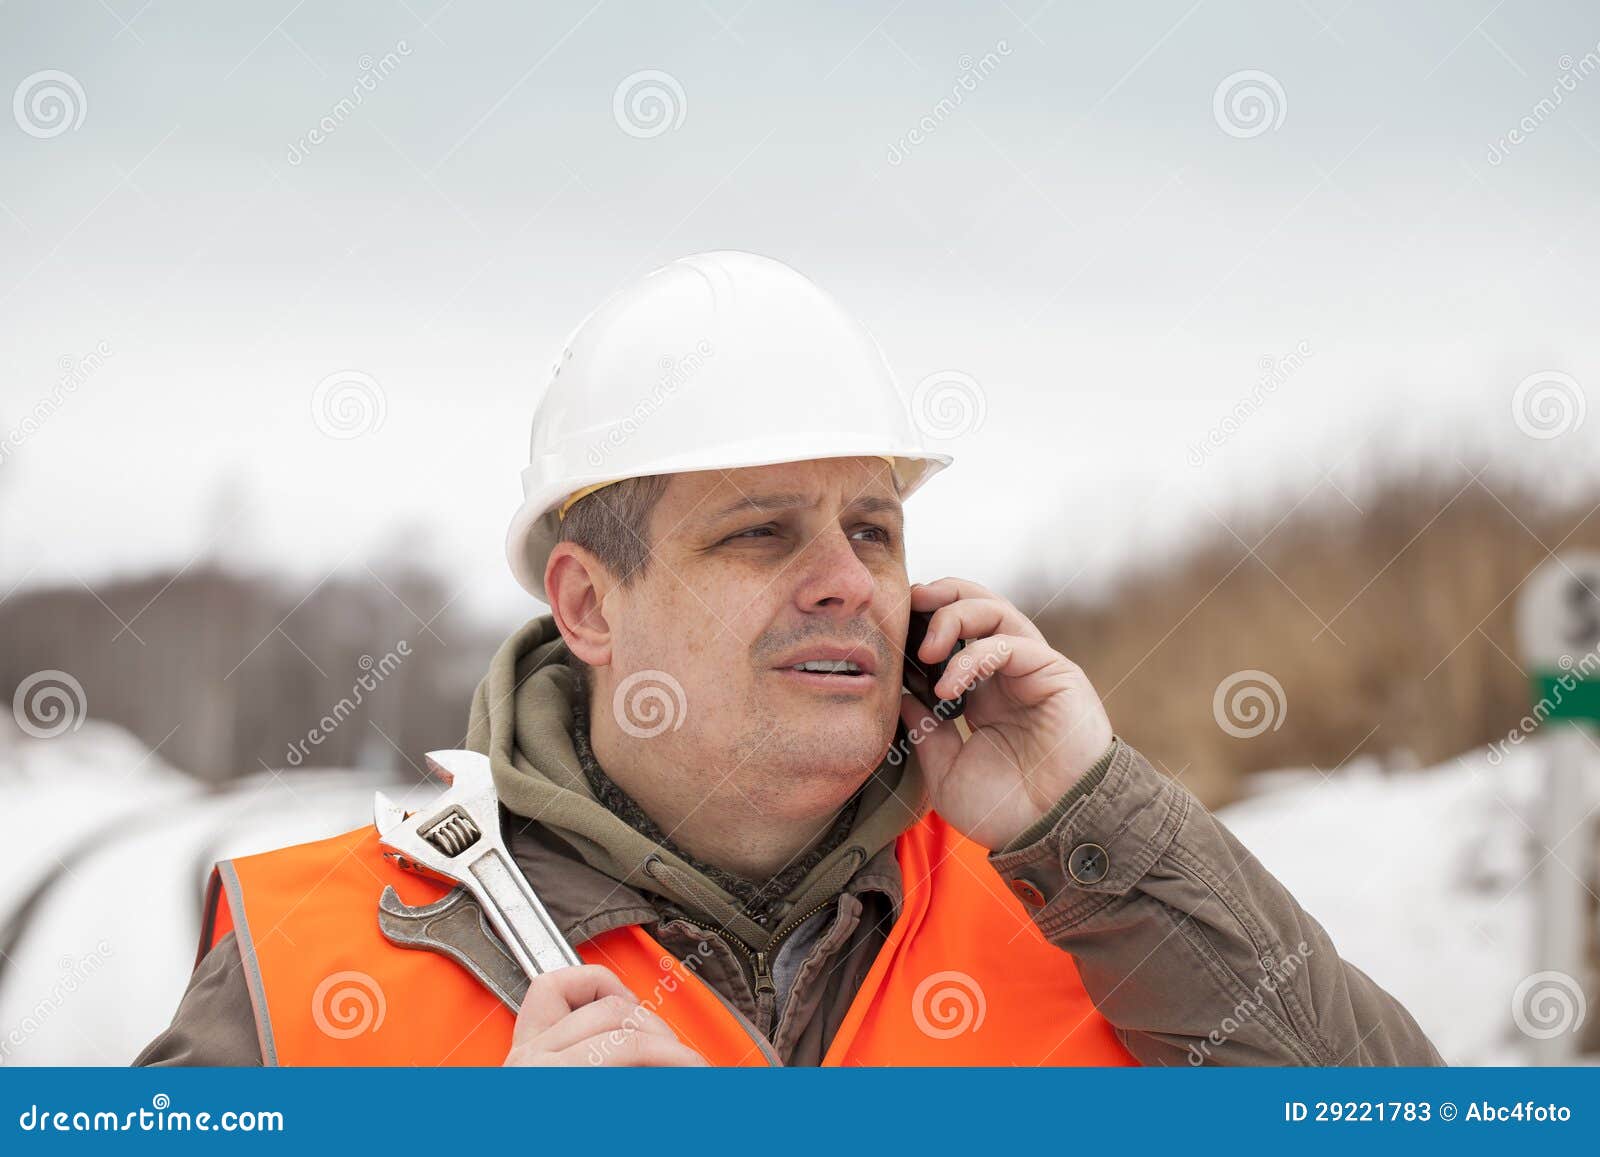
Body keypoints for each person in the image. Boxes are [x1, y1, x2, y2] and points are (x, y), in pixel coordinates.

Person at [136, 252, 1443, 1067]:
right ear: (589, 605)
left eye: (873, 528)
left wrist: (1095, 817)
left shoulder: (1088, 907)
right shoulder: (315, 957)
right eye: (762, 532)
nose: (848, 579)